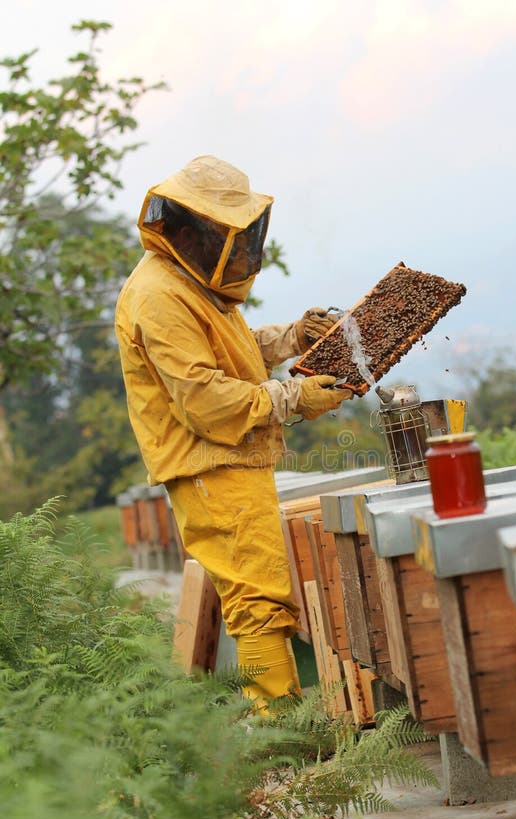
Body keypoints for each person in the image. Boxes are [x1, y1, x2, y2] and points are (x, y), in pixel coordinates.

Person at [115, 155, 352, 711]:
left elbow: (232, 351)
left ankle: (285, 735)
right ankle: (283, 741)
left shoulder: (184, 280)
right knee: (258, 603)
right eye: (218, 233)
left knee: (261, 597)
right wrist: (293, 397)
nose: (231, 246)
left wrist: (293, 337)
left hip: (225, 463)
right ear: (185, 228)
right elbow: (205, 400)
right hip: (209, 463)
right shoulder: (158, 295)